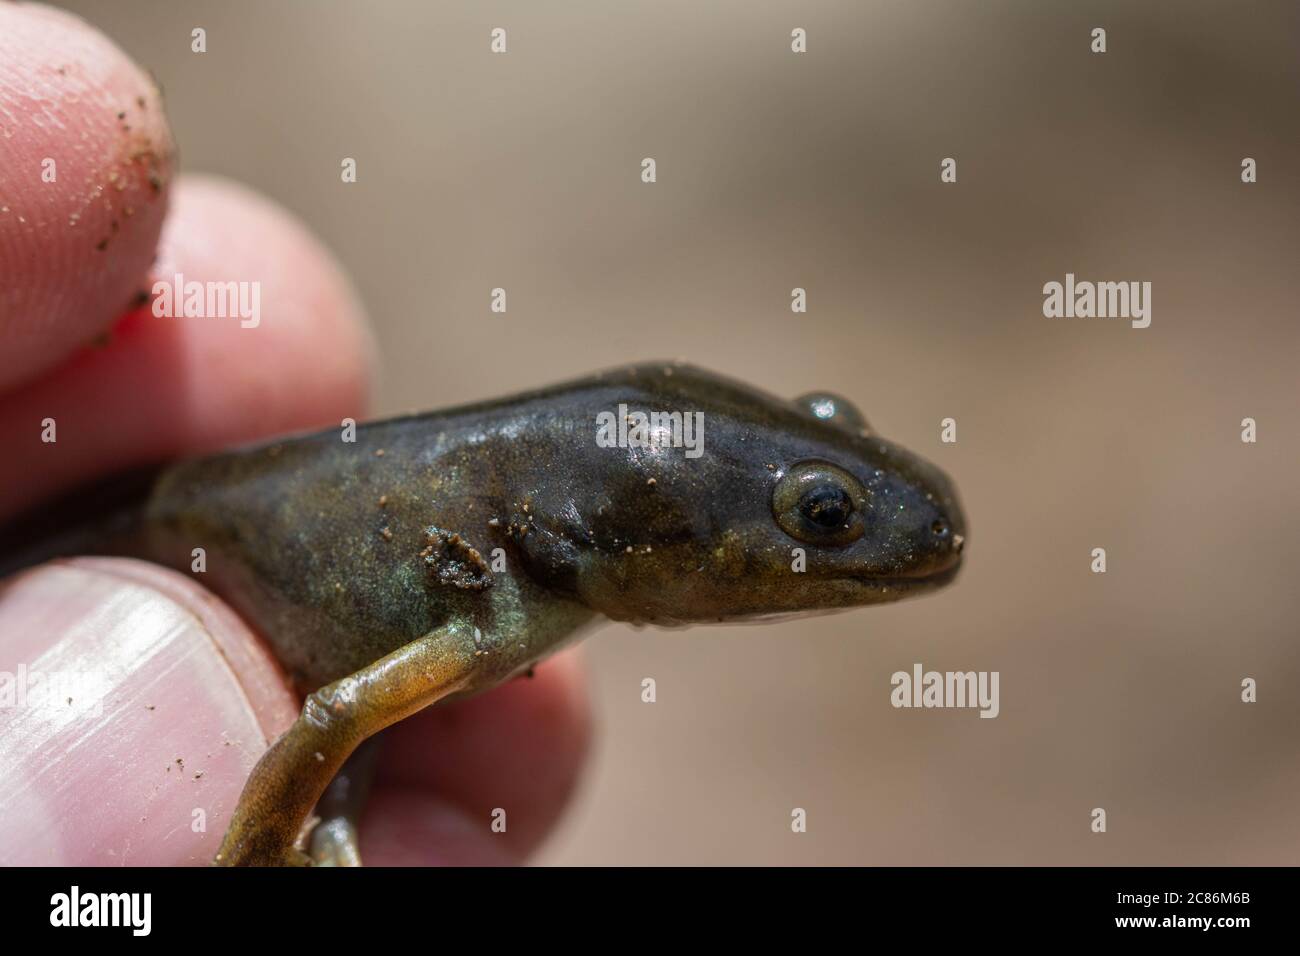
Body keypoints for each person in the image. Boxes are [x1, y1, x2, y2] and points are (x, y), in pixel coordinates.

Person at [0, 2, 588, 866]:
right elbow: (337, 712)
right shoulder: (508, 598)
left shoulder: (527, 585)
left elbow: (353, 704)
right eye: (820, 517)